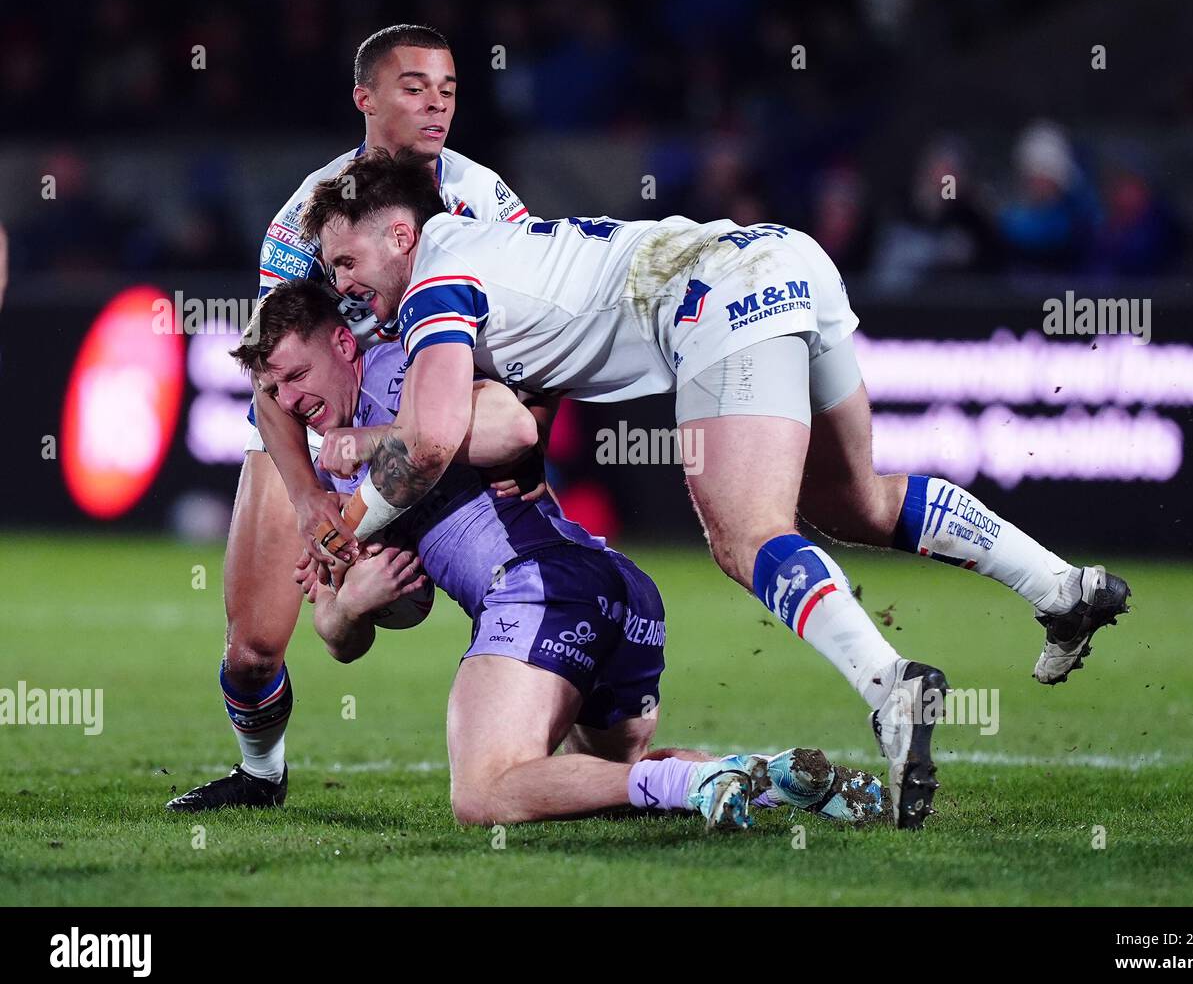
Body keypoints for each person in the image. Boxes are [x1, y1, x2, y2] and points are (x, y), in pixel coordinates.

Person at [271, 146, 1133, 830]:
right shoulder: (473, 259)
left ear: (398, 233)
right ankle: (1058, 586)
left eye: (346, 259)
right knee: (851, 501)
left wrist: (340, 519)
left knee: (744, 535)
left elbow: (428, 440)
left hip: (714, 295)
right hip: (786, 258)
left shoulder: (431, 283)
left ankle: (888, 688)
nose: (341, 284)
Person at [172, 280, 884, 831]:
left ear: (344, 344)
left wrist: (377, 440)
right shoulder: (326, 479)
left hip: (540, 588)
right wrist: (353, 604)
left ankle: (700, 783)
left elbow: (511, 424)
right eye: (270, 392)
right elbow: (334, 632)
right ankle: (766, 775)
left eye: (297, 376)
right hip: (614, 595)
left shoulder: (405, 373)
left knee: (485, 793)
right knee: (604, 783)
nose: (290, 401)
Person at [190, 24, 532, 813]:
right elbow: (269, 372)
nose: (435, 104)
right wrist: (310, 496)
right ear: (365, 99)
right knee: (251, 649)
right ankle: (260, 772)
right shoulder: (304, 221)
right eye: (414, 87)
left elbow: (533, 344)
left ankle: (598, 757)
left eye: (448, 89)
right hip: (323, 429)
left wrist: (529, 464)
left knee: (547, 580)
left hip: (435, 417)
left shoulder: (487, 202)